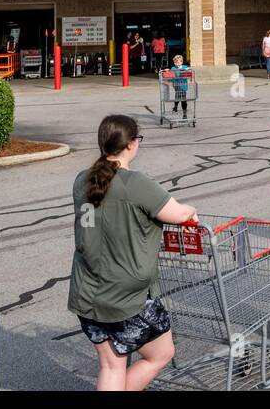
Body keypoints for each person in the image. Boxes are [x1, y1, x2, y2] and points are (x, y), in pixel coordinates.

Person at [69, 114, 196, 391]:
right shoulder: (135, 184)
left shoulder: (82, 180)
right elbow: (177, 213)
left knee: (112, 365)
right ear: (130, 145)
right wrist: (191, 212)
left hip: (87, 292)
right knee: (161, 354)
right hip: (128, 297)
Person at [167, 54, 192, 118]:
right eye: (175, 62)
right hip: (176, 85)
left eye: (178, 62)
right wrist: (168, 71)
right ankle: (175, 106)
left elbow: (189, 70)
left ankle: (184, 113)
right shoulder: (173, 68)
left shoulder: (184, 67)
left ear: (181, 62)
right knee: (178, 96)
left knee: (183, 99)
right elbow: (171, 74)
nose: (177, 64)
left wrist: (188, 69)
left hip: (183, 85)